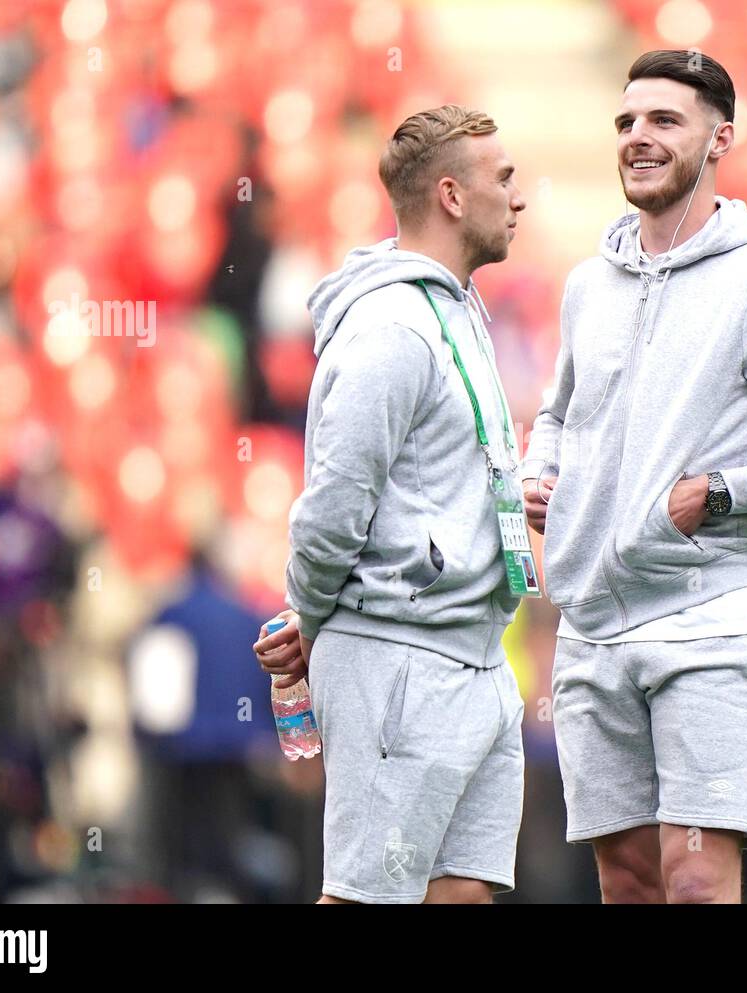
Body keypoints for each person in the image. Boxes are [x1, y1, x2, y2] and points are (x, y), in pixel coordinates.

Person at [521, 51, 747, 904]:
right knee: (629, 879)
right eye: (626, 122)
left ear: (721, 138)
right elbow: (555, 413)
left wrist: (724, 492)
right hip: (591, 627)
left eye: (664, 121)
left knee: (695, 878)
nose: (638, 137)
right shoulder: (586, 285)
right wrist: (543, 471)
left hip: (709, 623)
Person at [253, 105, 529, 904]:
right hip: (400, 655)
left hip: (474, 654)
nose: (519, 198)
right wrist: (310, 612)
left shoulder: (456, 308)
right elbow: (334, 502)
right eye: (503, 179)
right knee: (366, 897)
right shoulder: (391, 327)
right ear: (450, 195)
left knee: (462, 894)